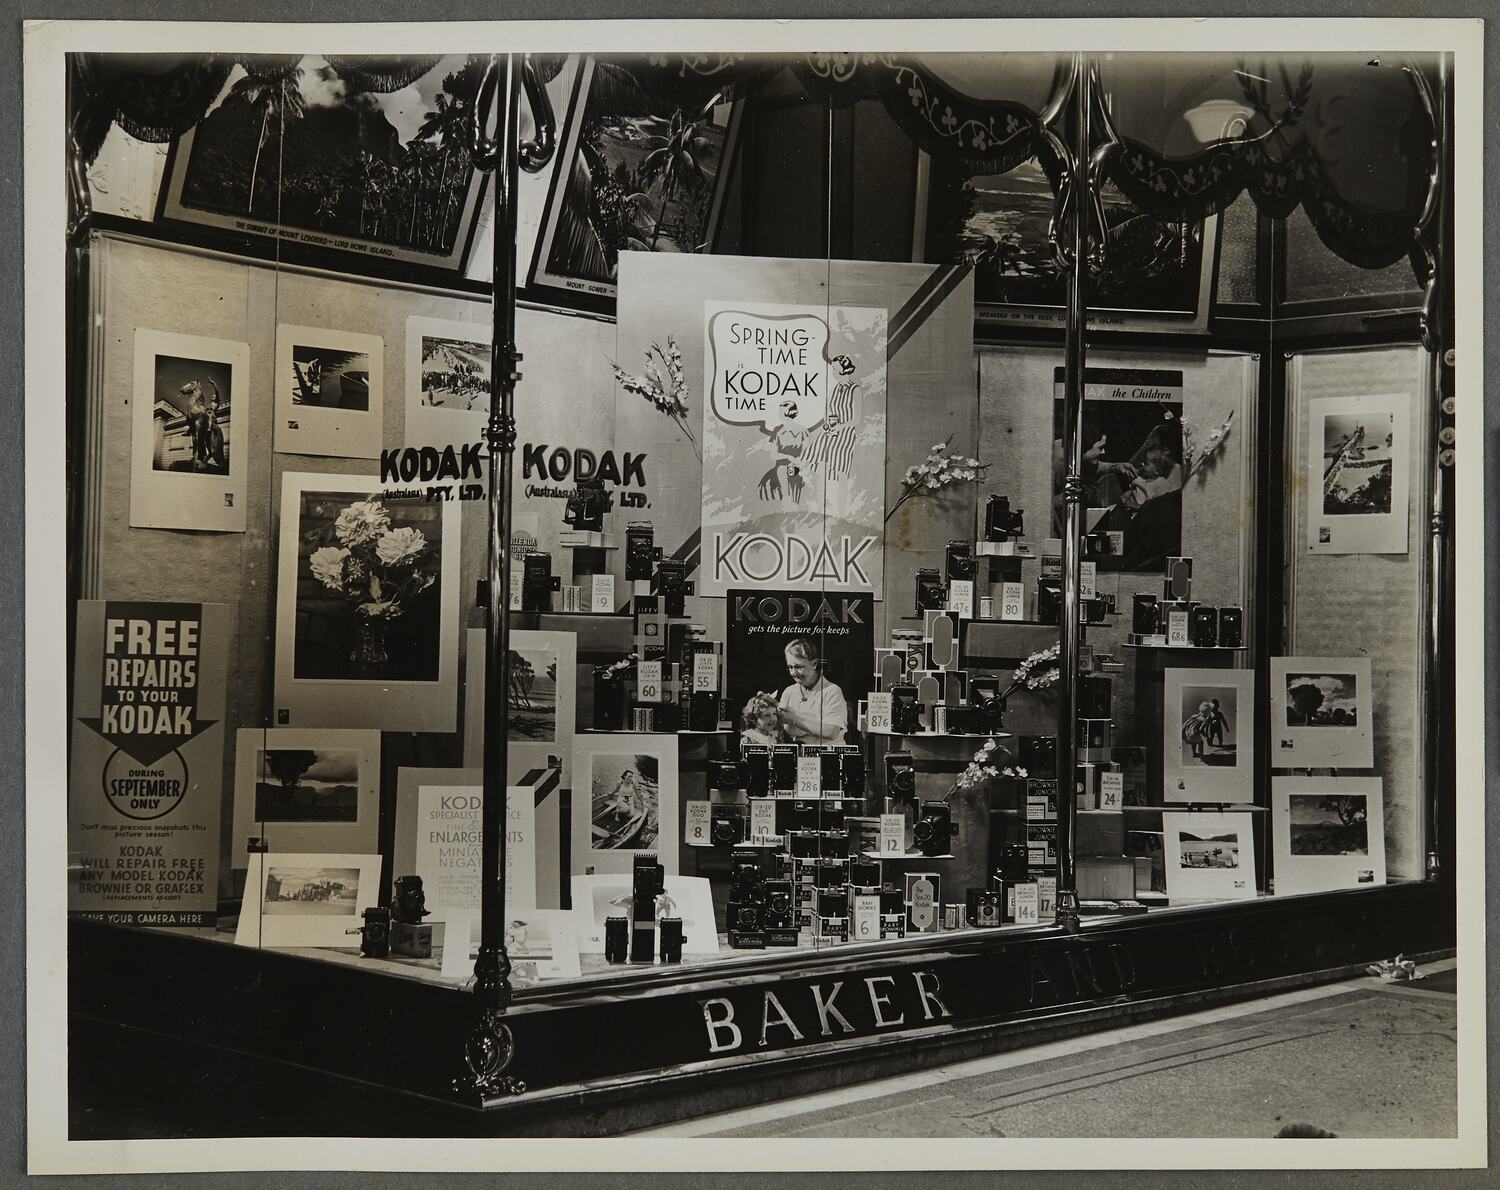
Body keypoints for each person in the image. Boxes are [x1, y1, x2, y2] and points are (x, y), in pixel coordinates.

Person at [775, 637, 848, 746]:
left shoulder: (832, 691)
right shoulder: (789, 692)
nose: (794, 673)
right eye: (790, 667)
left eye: (799, 667)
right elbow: (780, 728)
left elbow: (831, 732)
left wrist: (795, 719)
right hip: (800, 753)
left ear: (814, 664)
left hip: (828, 753)